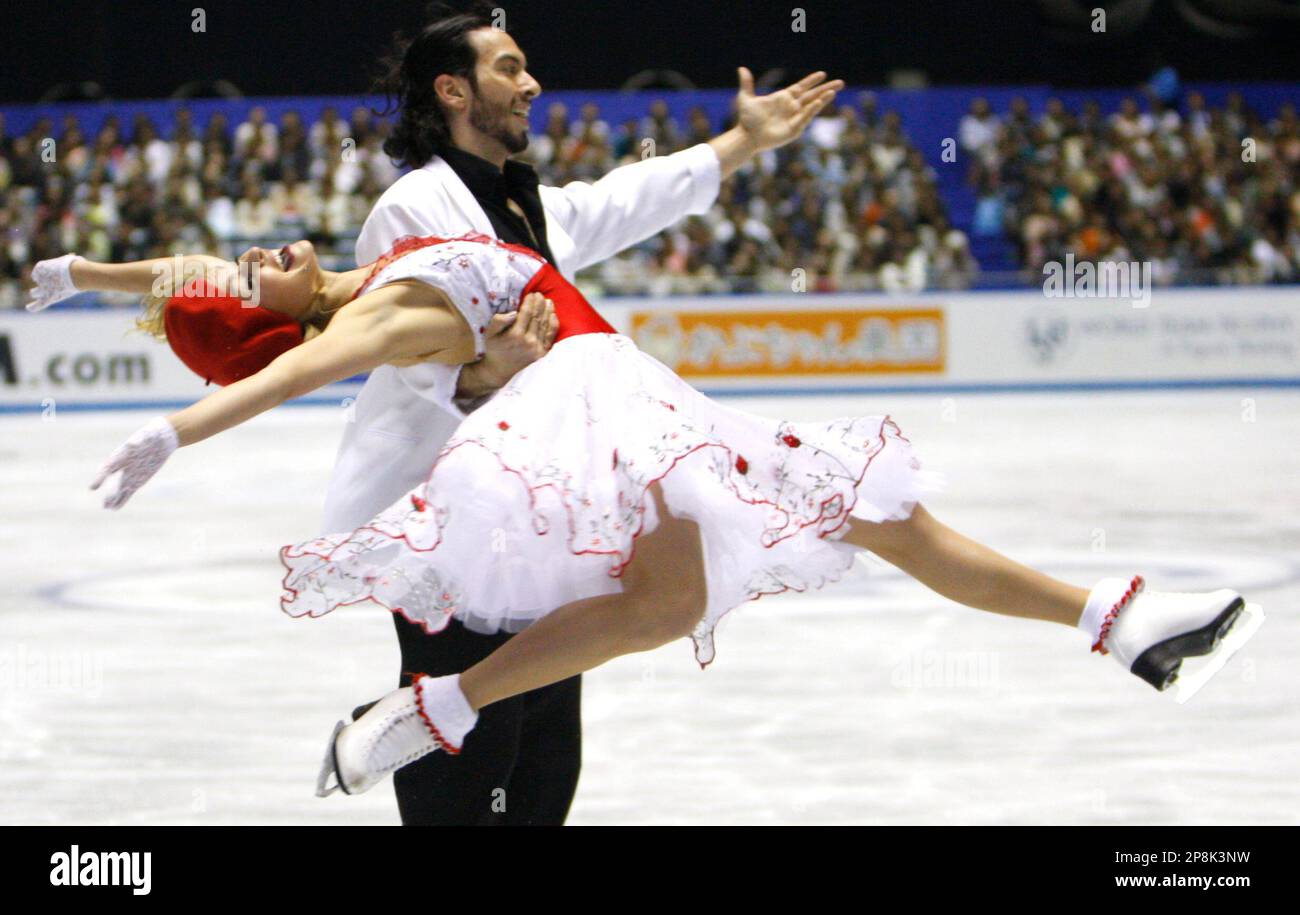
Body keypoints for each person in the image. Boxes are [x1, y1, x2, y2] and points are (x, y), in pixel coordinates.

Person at [28, 232, 1264, 805]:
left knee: (852, 517)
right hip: (597, 404)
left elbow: (206, 284)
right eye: (261, 278)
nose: (263, 253)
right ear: (279, 316)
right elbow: (285, 365)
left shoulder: (334, 281)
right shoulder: (371, 319)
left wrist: (93, 278)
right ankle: (429, 712)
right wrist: (177, 431)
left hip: (624, 387)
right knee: (798, 536)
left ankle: (1120, 622)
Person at [329, 2, 844, 824]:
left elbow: (631, 196)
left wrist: (743, 140)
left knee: (542, 752)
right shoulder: (413, 209)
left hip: (541, 509)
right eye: (509, 68)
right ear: (453, 91)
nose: (531, 82)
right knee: (468, 749)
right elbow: (388, 339)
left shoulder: (532, 207)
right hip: (452, 515)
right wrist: (474, 371)